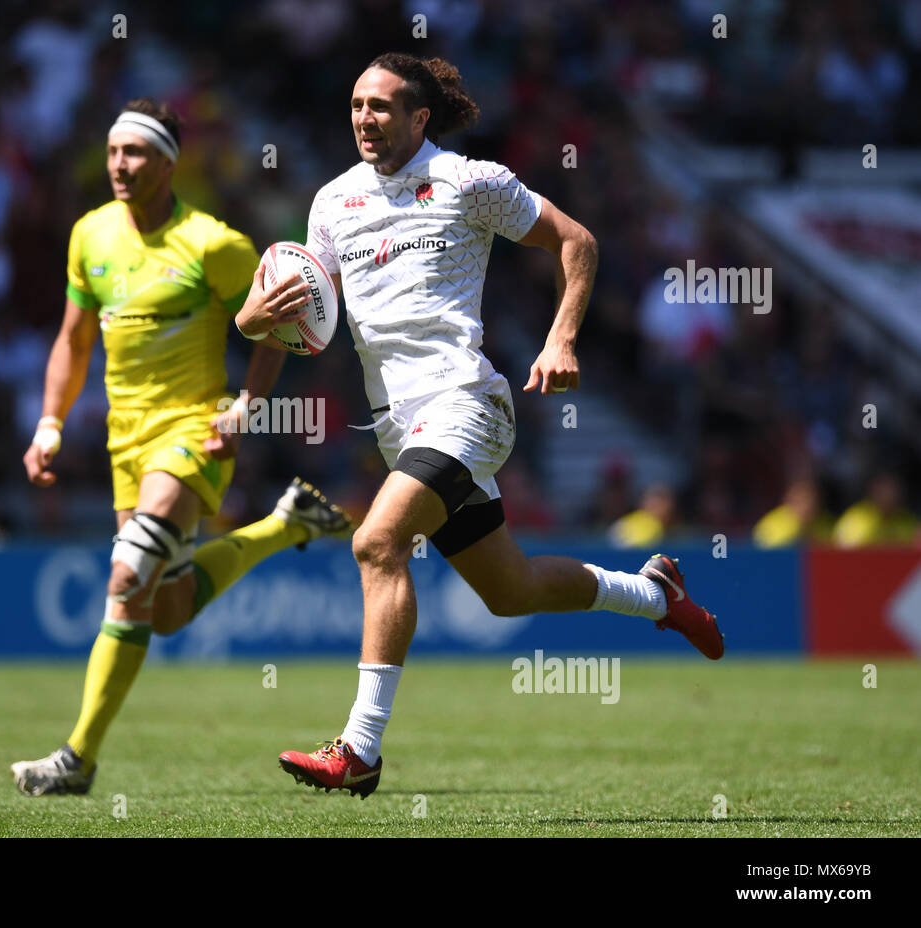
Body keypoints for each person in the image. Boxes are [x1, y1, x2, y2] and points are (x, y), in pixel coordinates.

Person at [236, 55, 724, 799]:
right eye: (357, 104)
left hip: (467, 405)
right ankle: (654, 593)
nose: (365, 117)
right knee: (512, 589)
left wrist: (560, 338)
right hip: (401, 430)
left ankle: (359, 749)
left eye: (382, 106)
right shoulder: (333, 203)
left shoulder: (471, 182)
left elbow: (577, 242)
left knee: (376, 541)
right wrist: (248, 341)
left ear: (420, 118)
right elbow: (300, 323)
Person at [10, 99, 350, 796]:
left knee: (126, 572)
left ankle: (76, 758)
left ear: (168, 163)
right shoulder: (90, 235)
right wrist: (50, 422)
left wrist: (247, 407)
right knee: (160, 612)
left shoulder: (213, 244)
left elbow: (274, 328)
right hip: (123, 443)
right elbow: (73, 340)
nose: (118, 165)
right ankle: (285, 526)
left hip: (192, 432)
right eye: (112, 153)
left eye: (134, 154)